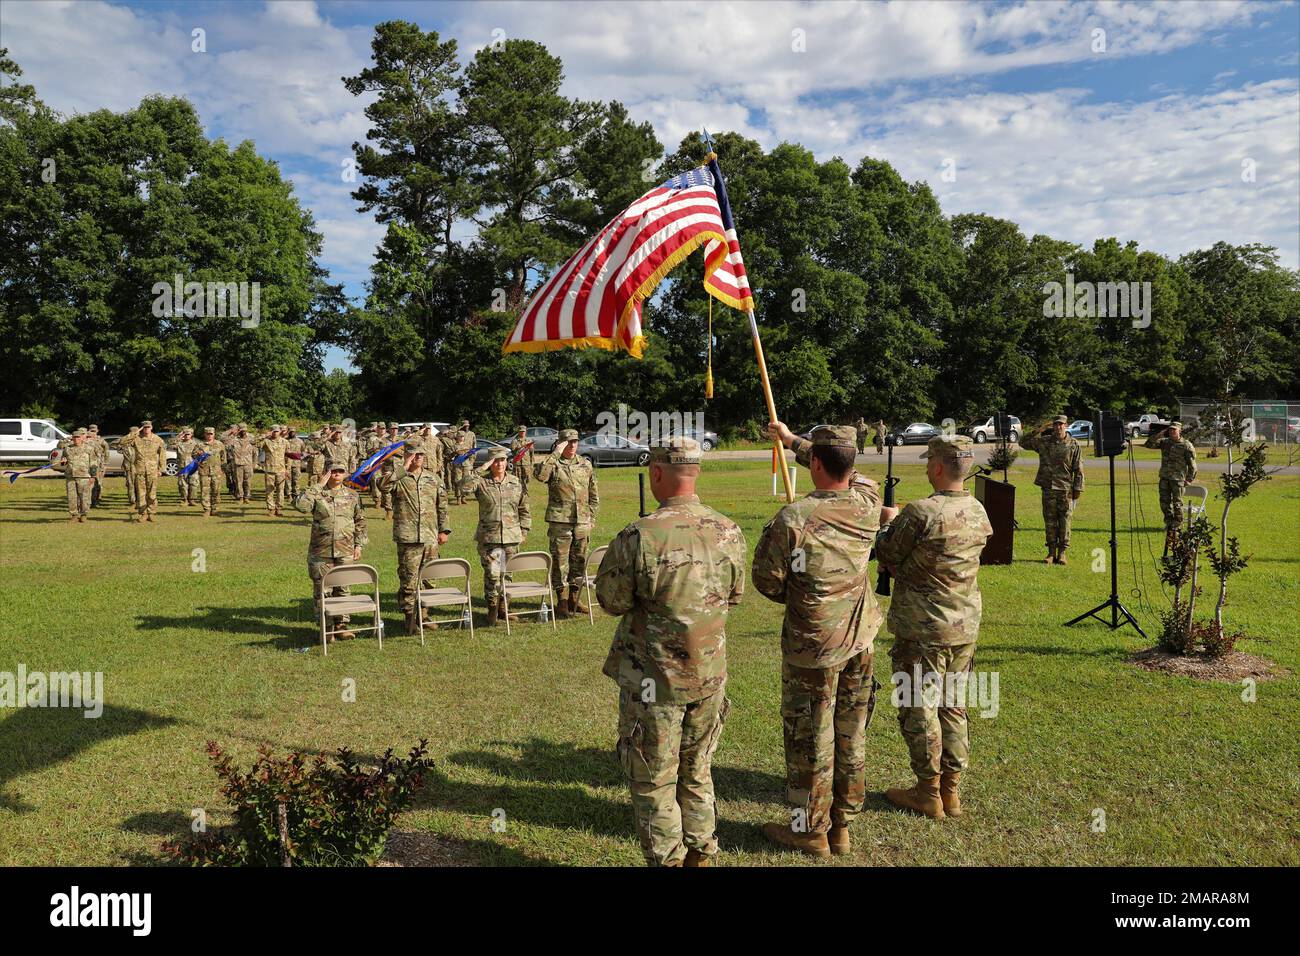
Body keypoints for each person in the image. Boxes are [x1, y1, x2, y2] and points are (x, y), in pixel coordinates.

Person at [595, 437, 746, 867]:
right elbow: (733, 597)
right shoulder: (729, 530)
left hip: (655, 682)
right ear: (695, 473)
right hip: (709, 675)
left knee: (653, 780)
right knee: (697, 771)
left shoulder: (640, 535)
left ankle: (669, 860)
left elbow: (612, 600)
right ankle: (702, 853)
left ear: (657, 474)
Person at [753, 423, 889, 857]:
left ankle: (809, 829)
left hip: (813, 648)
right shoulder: (869, 502)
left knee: (809, 741)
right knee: (851, 732)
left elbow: (768, 582)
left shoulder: (794, 518)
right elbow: (854, 472)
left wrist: (794, 442)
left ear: (815, 463)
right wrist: (794, 441)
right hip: (860, 639)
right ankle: (842, 825)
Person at [874, 435, 993, 820]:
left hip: (923, 628)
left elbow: (888, 552)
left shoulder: (921, 511)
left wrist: (886, 526)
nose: (926, 468)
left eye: (929, 462)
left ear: (939, 467)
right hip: (964, 626)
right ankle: (951, 791)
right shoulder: (978, 510)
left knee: (919, 707)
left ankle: (927, 791)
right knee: (954, 706)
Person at [376, 442, 451, 634]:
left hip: (430, 537)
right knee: (409, 580)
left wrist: (444, 530)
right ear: (407, 455)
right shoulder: (399, 477)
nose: (418, 458)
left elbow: (442, 505)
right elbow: (383, 486)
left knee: (430, 579)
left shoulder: (433, 479)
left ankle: (424, 614)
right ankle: (409, 618)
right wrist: (403, 467)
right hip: (408, 538)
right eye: (414, 454)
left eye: (421, 455)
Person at [295, 457, 368, 643]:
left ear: (345, 473)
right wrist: (318, 485)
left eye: (340, 471)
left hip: (345, 550)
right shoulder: (317, 494)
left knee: (343, 588)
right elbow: (301, 506)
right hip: (321, 550)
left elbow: (360, 521)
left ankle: (341, 625)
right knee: (322, 589)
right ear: (326, 473)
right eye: (333, 471)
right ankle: (326, 628)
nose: (337, 474)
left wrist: (359, 545)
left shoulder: (352, 495)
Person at [534, 428, 599, 618]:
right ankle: (561, 601)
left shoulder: (585, 464)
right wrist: (555, 453)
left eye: (575, 442)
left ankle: (574, 599)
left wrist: (591, 517)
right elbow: (540, 476)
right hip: (560, 522)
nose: (572, 445)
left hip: (582, 522)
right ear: (560, 443)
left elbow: (594, 494)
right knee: (560, 562)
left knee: (578, 561)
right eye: (568, 442)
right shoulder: (553, 464)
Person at [461, 446, 530, 626]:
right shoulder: (481, 482)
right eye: (496, 461)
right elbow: (463, 487)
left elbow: (524, 508)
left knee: (507, 575)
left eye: (503, 460)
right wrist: (481, 468)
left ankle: (503, 608)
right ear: (490, 463)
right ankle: (491, 609)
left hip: (511, 537)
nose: (500, 464)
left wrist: (524, 531)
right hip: (489, 537)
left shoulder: (515, 482)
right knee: (492, 575)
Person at [1020, 414, 1084, 564]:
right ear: (1052, 426)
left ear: (1066, 425)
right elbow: (1023, 442)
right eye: (1055, 424)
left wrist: (1078, 489)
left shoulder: (1074, 444)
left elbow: (1078, 469)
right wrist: (1039, 428)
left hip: (1065, 489)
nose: (1058, 427)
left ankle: (1062, 553)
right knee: (1049, 521)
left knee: (1065, 522)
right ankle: (1050, 553)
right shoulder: (1044, 442)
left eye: (1061, 424)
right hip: (1048, 488)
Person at [1145, 421, 1197, 550]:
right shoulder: (1165, 442)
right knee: (1164, 502)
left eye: (1175, 430)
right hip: (1164, 477)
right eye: (1171, 430)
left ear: (1180, 431)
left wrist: (1189, 479)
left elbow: (1192, 465)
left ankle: (1177, 526)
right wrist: (1160, 433)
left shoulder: (1186, 445)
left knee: (1177, 503)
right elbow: (1148, 444)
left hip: (1178, 479)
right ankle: (1169, 523)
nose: (1172, 432)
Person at [126, 420, 167, 522]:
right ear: (142, 428)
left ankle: (151, 513)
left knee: (152, 493)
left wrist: (161, 469)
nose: (146, 429)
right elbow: (120, 443)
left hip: (152, 471)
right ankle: (143, 513)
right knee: (141, 493)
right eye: (144, 427)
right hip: (140, 470)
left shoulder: (157, 440)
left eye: (148, 427)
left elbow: (162, 455)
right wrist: (133, 434)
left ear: (151, 428)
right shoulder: (136, 439)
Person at [62, 428, 96, 523]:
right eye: (74, 437)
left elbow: (93, 463)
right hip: (70, 476)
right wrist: (63, 462)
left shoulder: (89, 449)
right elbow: (63, 461)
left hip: (84, 476)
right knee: (72, 497)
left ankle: (84, 514)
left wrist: (93, 476)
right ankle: (74, 515)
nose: (76, 439)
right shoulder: (68, 449)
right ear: (72, 438)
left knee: (84, 497)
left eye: (78, 437)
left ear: (82, 438)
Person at [259, 424, 290, 516]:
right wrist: (264, 435)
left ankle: (279, 509)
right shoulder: (266, 442)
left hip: (281, 470)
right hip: (269, 470)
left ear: (280, 431)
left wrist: (287, 469)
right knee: (269, 490)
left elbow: (288, 456)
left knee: (280, 490)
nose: (275, 433)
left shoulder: (285, 442)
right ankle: (271, 509)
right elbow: (254, 442)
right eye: (273, 431)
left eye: (277, 431)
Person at [195, 426, 224, 516]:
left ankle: (215, 509)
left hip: (216, 472)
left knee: (216, 491)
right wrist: (198, 455)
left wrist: (221, 468)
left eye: (211, 434)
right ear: (205, 434)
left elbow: (223, 457)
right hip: (204, 472)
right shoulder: (200, 445)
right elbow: (194, 456)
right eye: (208, 434)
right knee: (205, 491)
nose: (209, 436)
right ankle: (206, 509)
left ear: (214, 434)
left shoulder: (219, 444)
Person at [169, 428, 198, 506]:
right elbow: (170, 444)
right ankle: (184, 500)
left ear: (191, 435)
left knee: (193, 484)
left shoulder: (195, 444)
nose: (186, 436)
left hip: (192, 466)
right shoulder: (179, 444)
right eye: (185, 434)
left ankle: (192, 500)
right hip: (182, 466)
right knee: (182, 484)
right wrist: (179, 436)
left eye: (188, 434)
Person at [116, 426, 140, 509]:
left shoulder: (141, 441)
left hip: (140, 467)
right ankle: (132, 502)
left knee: (139, 485)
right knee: (130, 485)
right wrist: (129, 436)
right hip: (129, 467)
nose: (135, 434)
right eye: (133, 432)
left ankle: (140, 501)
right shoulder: (125, 443)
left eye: (136, 432)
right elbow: (114, 444)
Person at [86, 424, 108, 507]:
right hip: (87, 465)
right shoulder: (86, 440)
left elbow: (106, 451)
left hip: (98, 465)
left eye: (94, 431)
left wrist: (105, 463)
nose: (93, 432)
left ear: (97, 431)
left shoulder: (101, 441)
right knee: (88, 483)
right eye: (91, 431)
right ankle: (89, 500)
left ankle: (96, 500)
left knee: (97, 483)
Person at [509, 424, 535, 490]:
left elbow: (532, 453)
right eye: (521, 431)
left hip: (526, 464)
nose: (522, 433)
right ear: (518, 432)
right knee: (517, 479)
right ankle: (517, 492)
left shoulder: (529, 441)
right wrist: (521, 447)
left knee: (527, 479)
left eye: (523, 431)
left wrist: (532, 463)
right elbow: (512, 451)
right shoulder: (514, 441)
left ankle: (525, 492)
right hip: (517, 464)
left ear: (525, 432)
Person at [285, 427, 306, 499]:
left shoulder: (300, 441)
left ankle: (296, 494)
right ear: (288, 432)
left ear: (295, 432)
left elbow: (303, 451)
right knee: (288, 480)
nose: (292, 433)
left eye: (293, 432)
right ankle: (288, 494)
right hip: (287, 463)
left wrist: (301, 459)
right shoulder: (285, 441)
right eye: (290, 432)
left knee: (296, 479)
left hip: (296, 464)